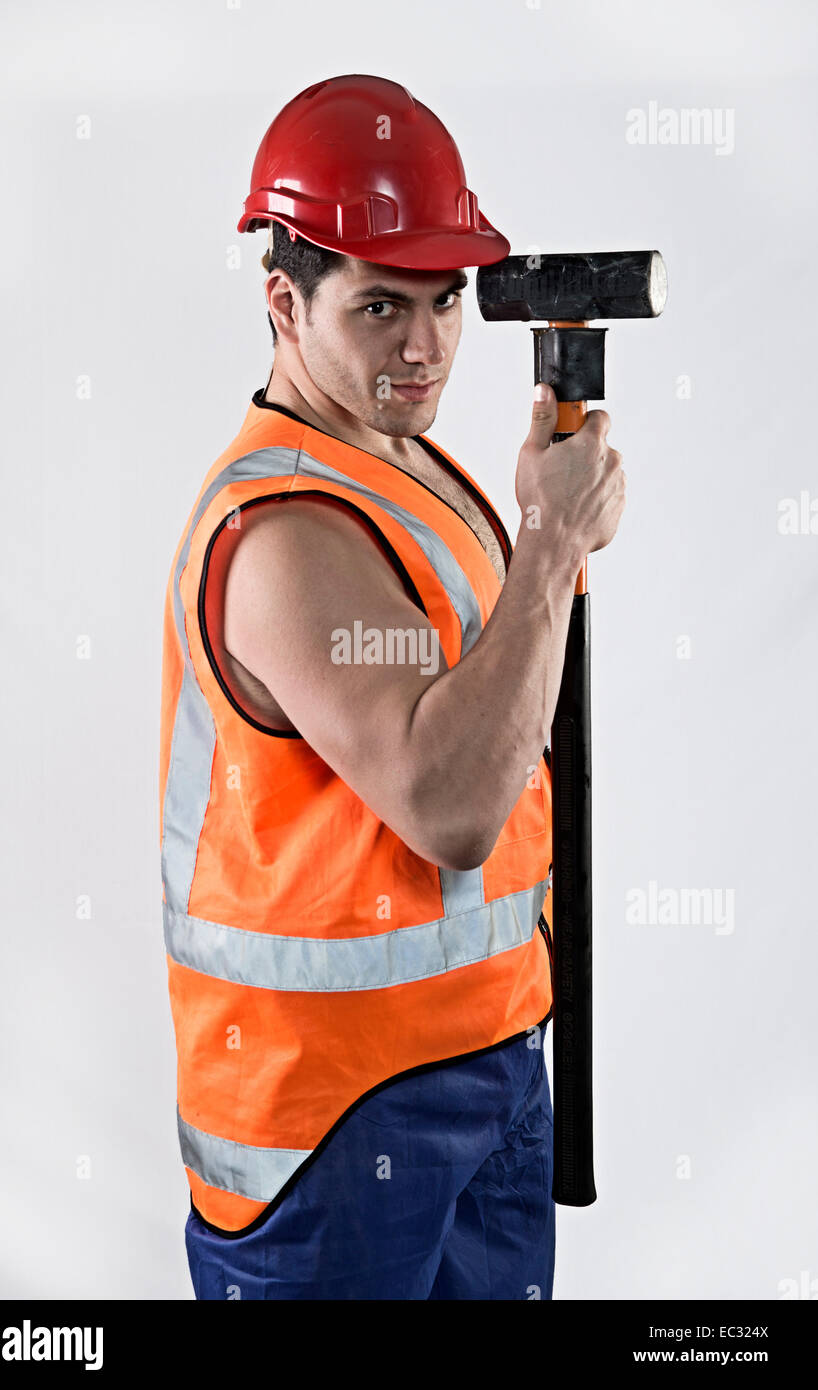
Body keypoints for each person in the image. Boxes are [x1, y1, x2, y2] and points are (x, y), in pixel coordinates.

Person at [159, 75, 624, 1301]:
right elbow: (450, 801)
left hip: (488, 1063)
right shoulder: (283, 531)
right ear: (282, 301)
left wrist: (541, 540)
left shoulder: (408, 466)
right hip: (331, 1123)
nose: (423, 348)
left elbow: (503, 704)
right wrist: (552, 545)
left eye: (443, 299)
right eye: (377, 307)